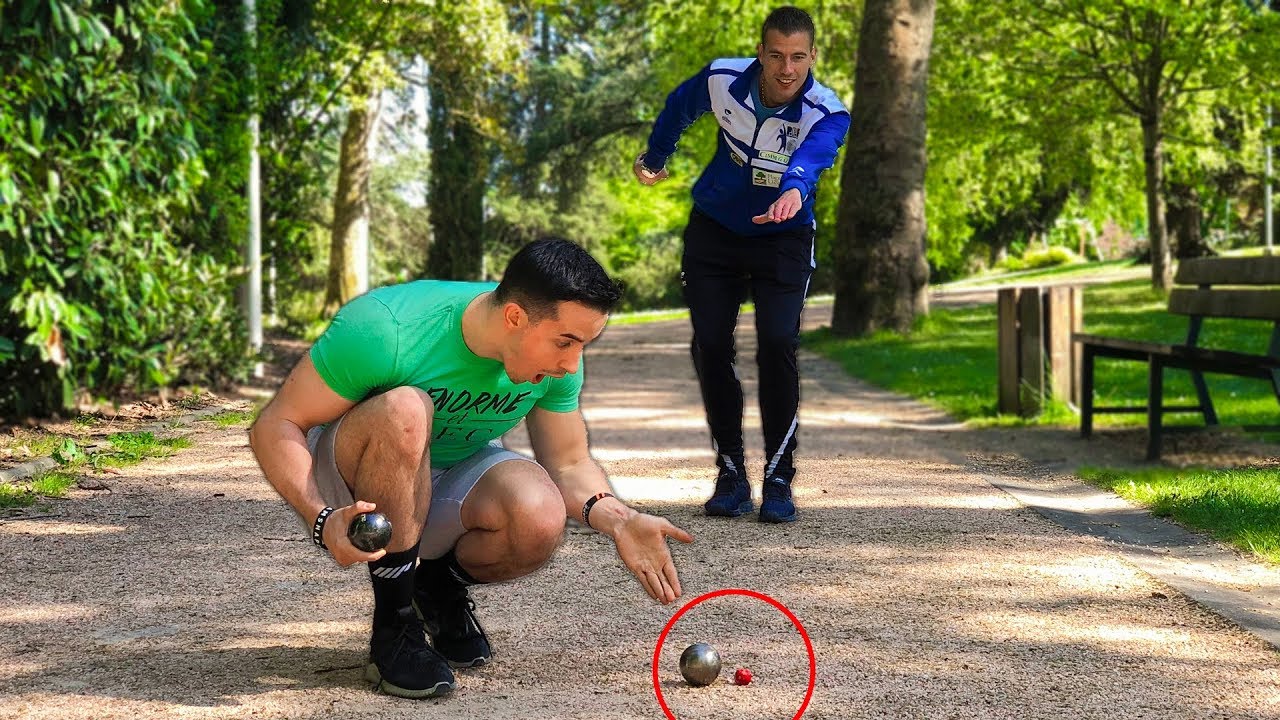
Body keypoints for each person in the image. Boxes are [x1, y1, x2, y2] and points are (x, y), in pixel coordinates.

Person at [247, 238, 694, 699]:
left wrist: (618, 519)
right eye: (565, 342)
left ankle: (434, 587)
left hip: (441, 474)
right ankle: (394, 629)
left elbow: (569, 461)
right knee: (407, 408)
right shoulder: (388, 328)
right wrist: (321, 518)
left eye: (582, 346)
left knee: (538, 511)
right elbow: (276, 424)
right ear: (515, 317)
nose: (571, 363)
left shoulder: (557, 364)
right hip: (350, 483)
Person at [633, 6, 850, 524]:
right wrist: (657, 157)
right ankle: (731, 472)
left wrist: (794, 190)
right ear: (761, 52)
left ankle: (778, 478)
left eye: (798, 56)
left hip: (784, 236)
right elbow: (677, 107)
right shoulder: (722, 79)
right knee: (711, 342)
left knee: (778, 342)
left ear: (813, 56)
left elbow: (815, 157)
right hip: (715, 232)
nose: (786, 68)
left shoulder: (828, 111)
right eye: (776, 54)